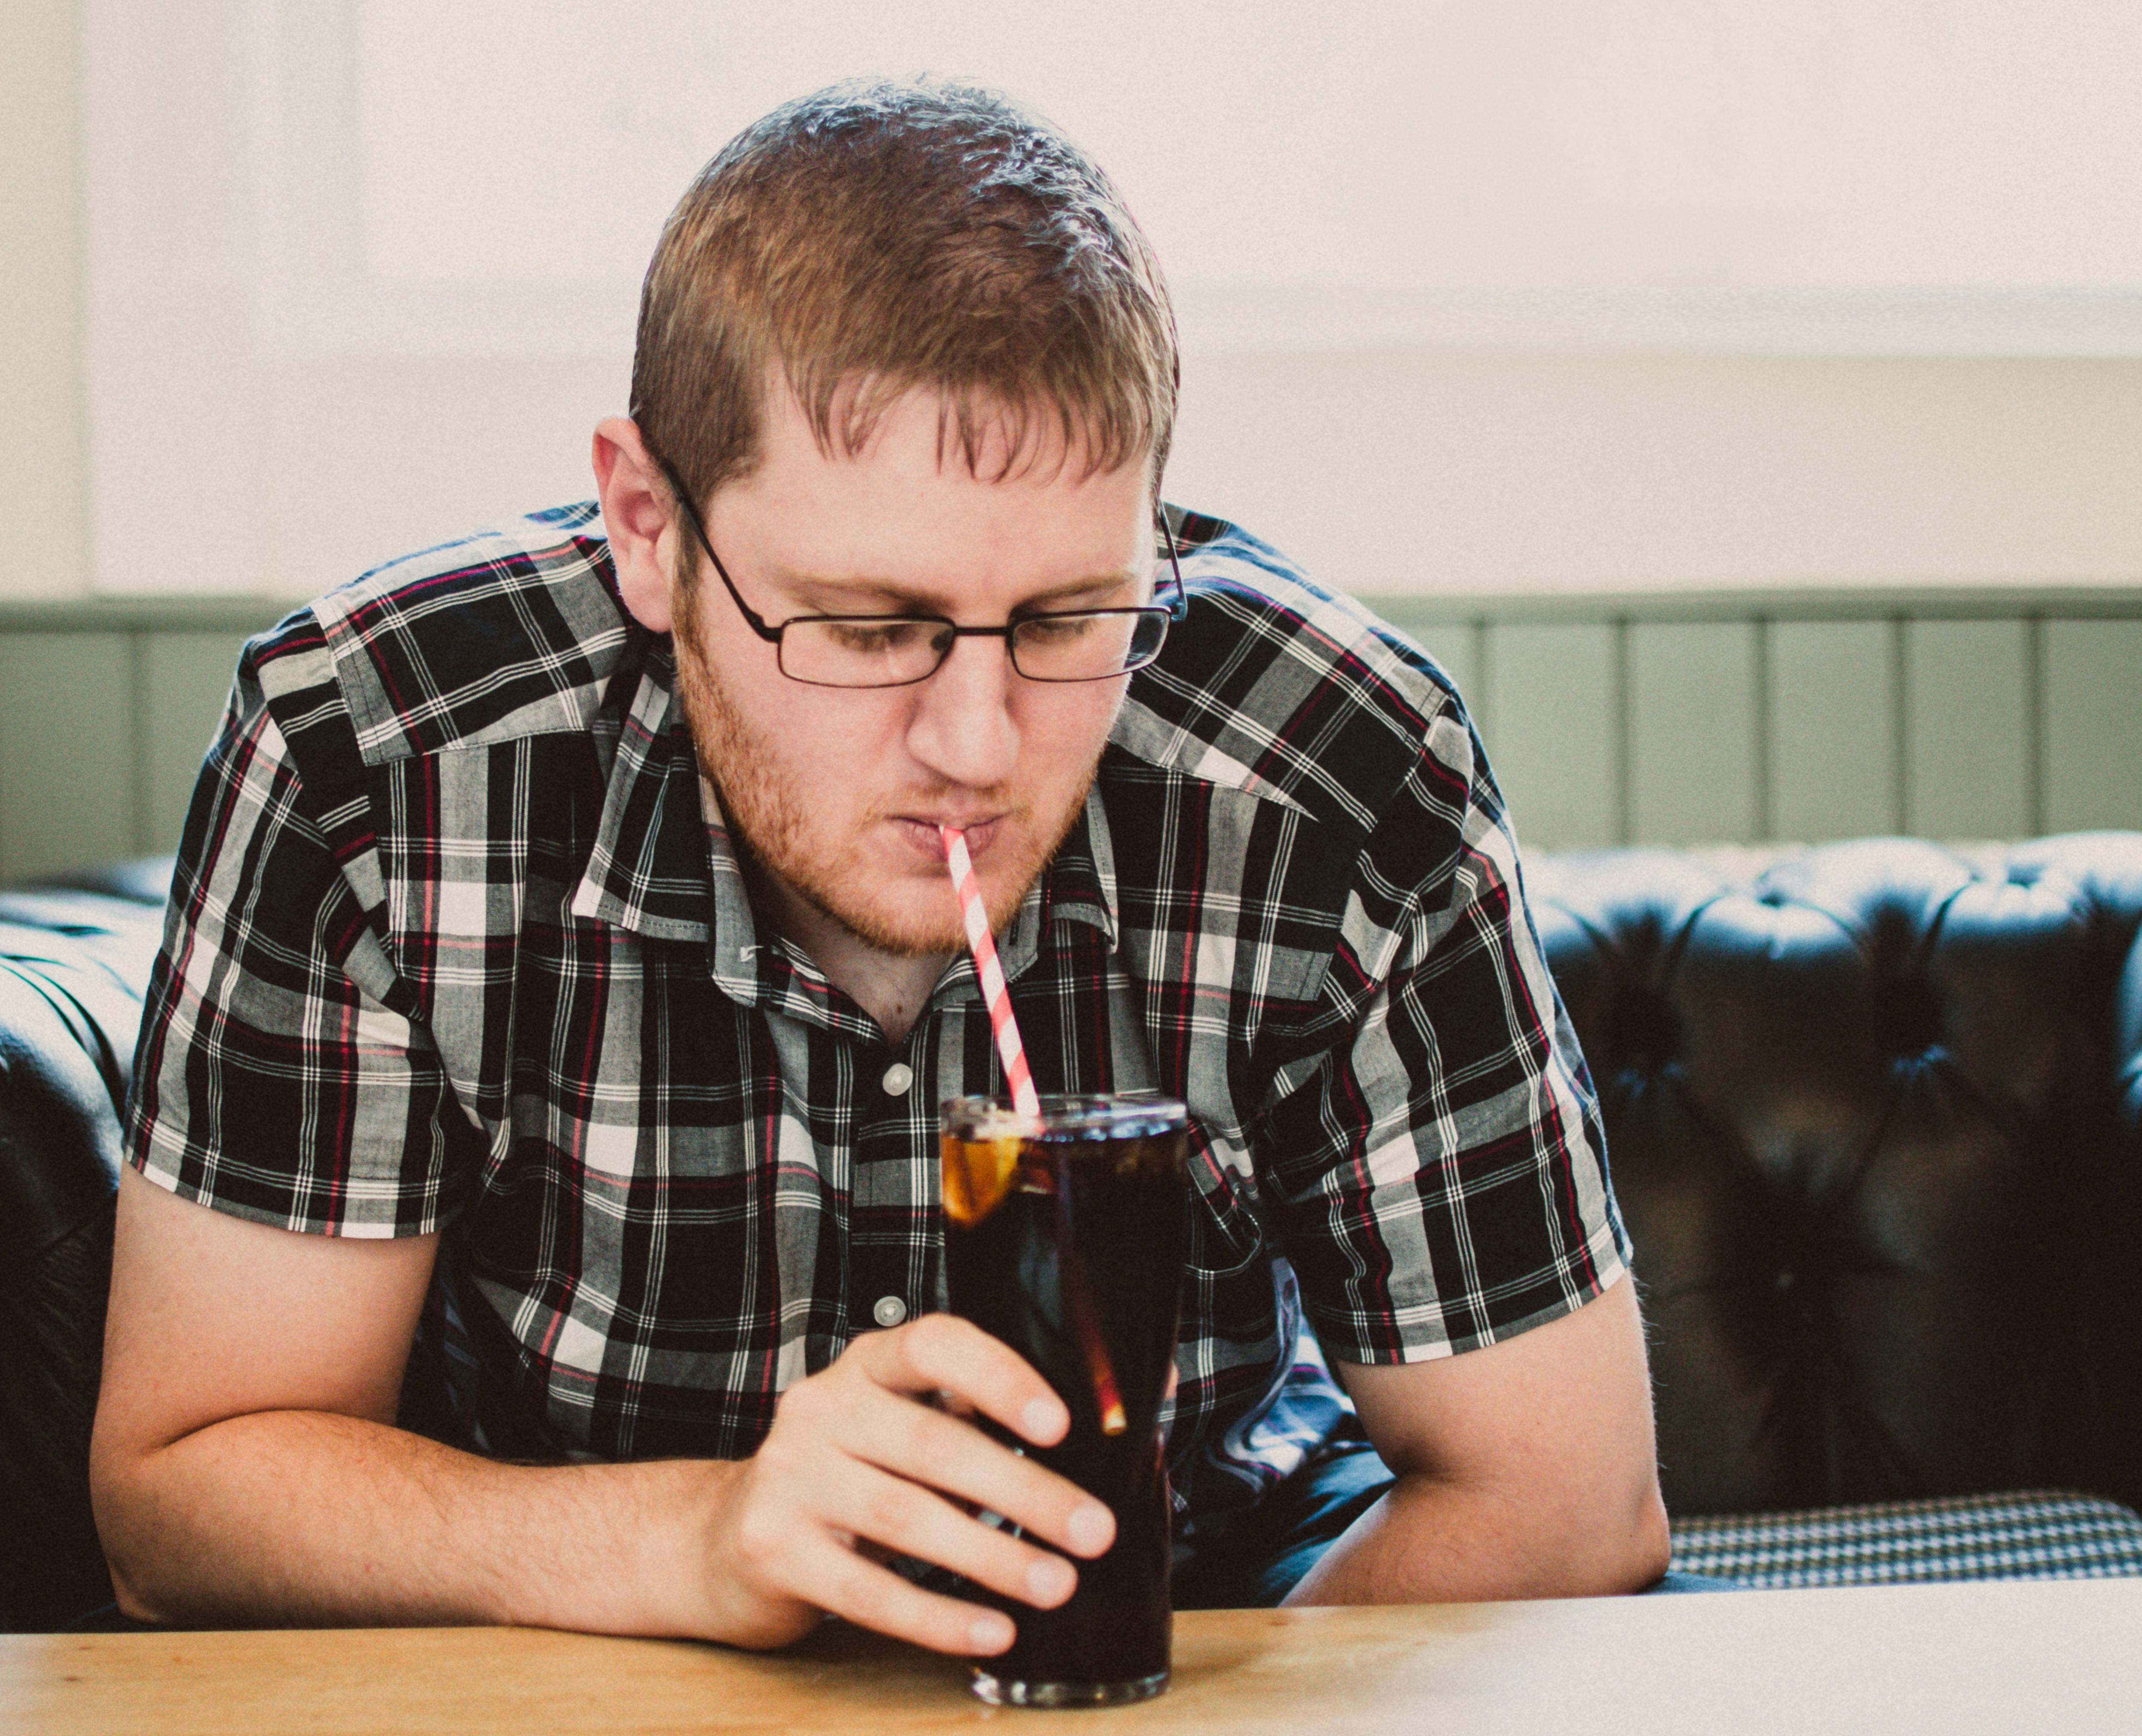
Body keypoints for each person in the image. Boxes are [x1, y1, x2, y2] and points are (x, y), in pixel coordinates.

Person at [89, 77, 1672, 1653]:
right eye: (865, 627)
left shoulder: (1336, 772)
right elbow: (179, 1501)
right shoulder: (375, 756)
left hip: (1207, 1623)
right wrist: (696, 1540)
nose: (978, 741)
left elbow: (1568, 1509)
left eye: (1067, 620)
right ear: (648, 524)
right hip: (584, 1666)